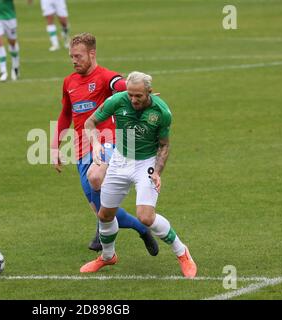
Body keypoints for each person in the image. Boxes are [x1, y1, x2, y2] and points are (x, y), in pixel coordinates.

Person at [51, 33, 158, 256]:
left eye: (78, 56)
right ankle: (142, 229)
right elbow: (65, 115)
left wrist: (142, 93)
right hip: (81, 149)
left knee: (96, 176)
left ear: (92, 54)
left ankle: (106, 243)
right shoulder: (69, 82)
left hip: (106, 143)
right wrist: (54, 146)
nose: (74, 60)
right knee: (103, 211)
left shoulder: (104, 77)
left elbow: (119, 84)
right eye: (71, 56)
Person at [81, 71, 197, 278]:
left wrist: (158, 173)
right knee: (104, 214)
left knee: (146, 217)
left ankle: (182, 252)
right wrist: (96, 143)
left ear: (149, 93)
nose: (133, 100)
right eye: (130, 95)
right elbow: (90, 123)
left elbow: (164, 145)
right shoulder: (117, 100)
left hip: (145, 163)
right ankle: (108, 257)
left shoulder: (162, 112)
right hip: (119, 160)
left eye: (138, 96)